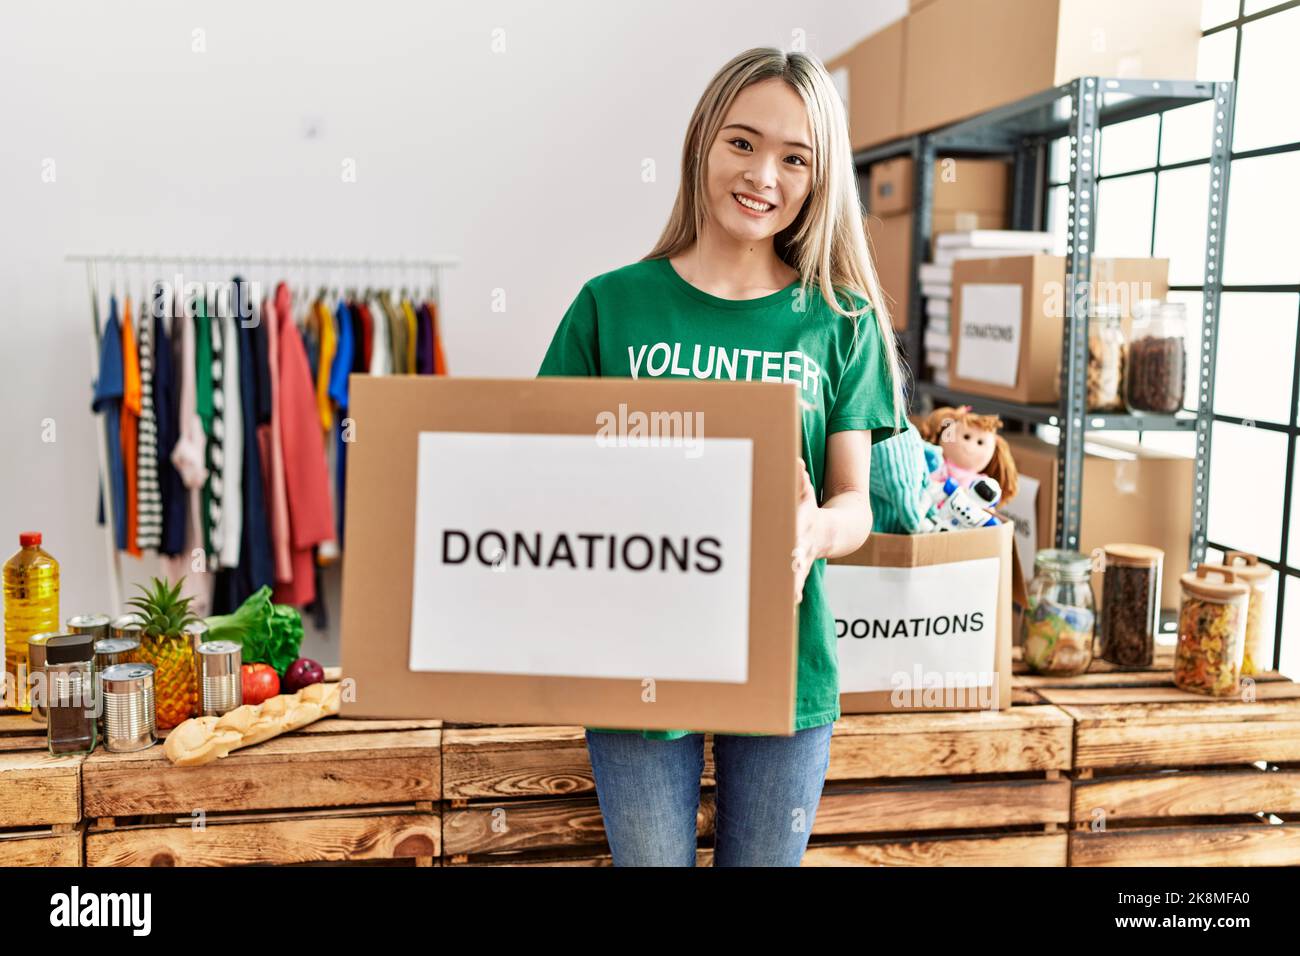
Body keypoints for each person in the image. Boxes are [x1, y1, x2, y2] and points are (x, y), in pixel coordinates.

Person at [536, 47, 908, 866]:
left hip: (786, 661)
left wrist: (813, 534)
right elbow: (547, 475)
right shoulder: (611, 305)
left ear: (818, 179)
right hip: (634, 660)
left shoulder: (840, 323)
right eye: (742, 142)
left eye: (794, 157)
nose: (762, 174)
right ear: (703, 143)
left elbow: (857, 506)